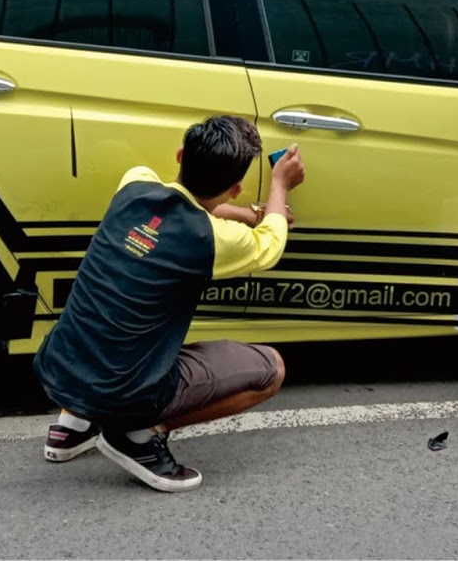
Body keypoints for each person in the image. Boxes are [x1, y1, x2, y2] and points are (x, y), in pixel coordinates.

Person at [33, 115, 304, 491]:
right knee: (270, 370)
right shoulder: (212, 239)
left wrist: (246, 214)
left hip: (59, 365)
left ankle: (72, 428)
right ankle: (136, 436)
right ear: (236, 188)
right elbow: (270, 245)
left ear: (180, 155)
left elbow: (185, 204)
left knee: (110, 322)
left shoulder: (135, 183)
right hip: (123, 390)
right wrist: (280, 187)